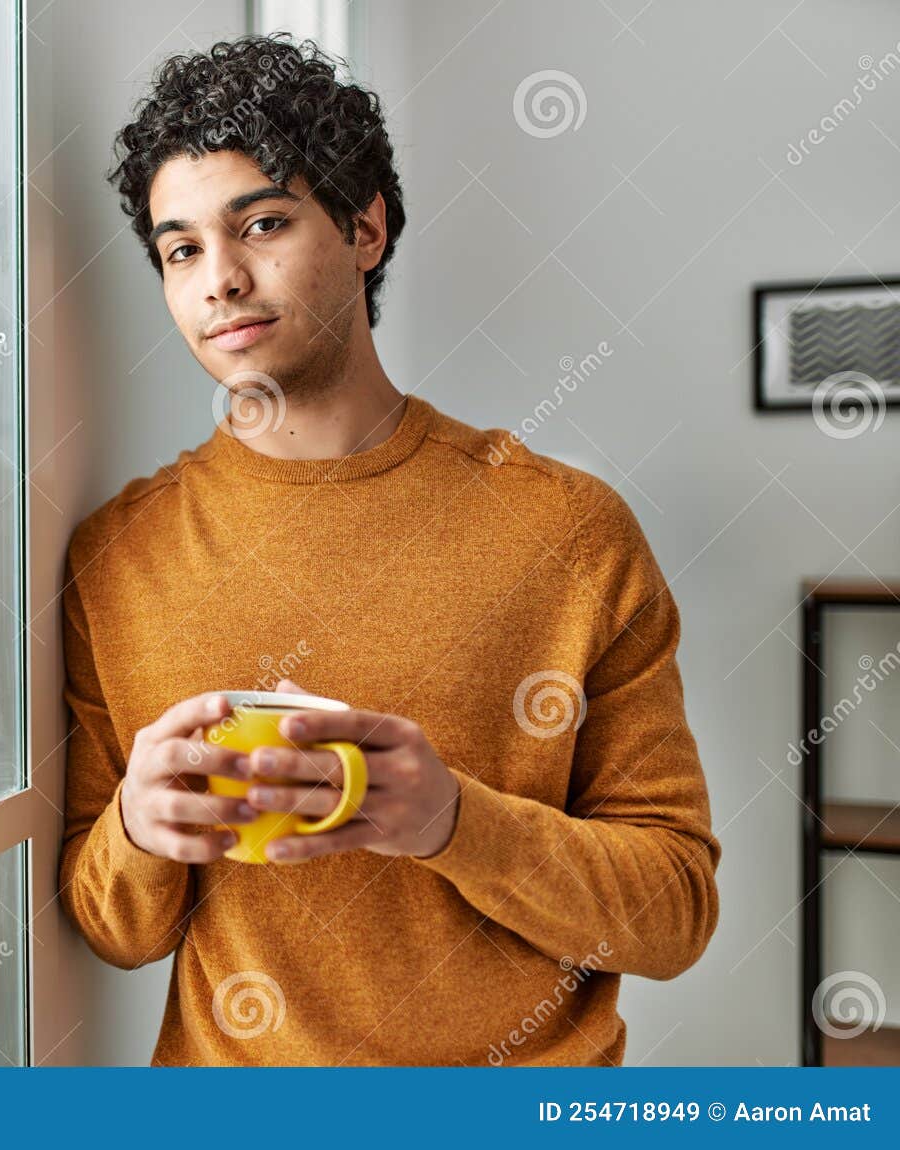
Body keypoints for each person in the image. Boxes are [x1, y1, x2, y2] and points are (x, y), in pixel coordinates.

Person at [57, 33, 721, 1066]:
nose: (220, 279)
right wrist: (137, 828)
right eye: (180, 247)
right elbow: (115, 928)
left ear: (364, 227)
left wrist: (452, 817)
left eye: (262, 223)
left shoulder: (569, 528)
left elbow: (673, 913)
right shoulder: (116, 554)